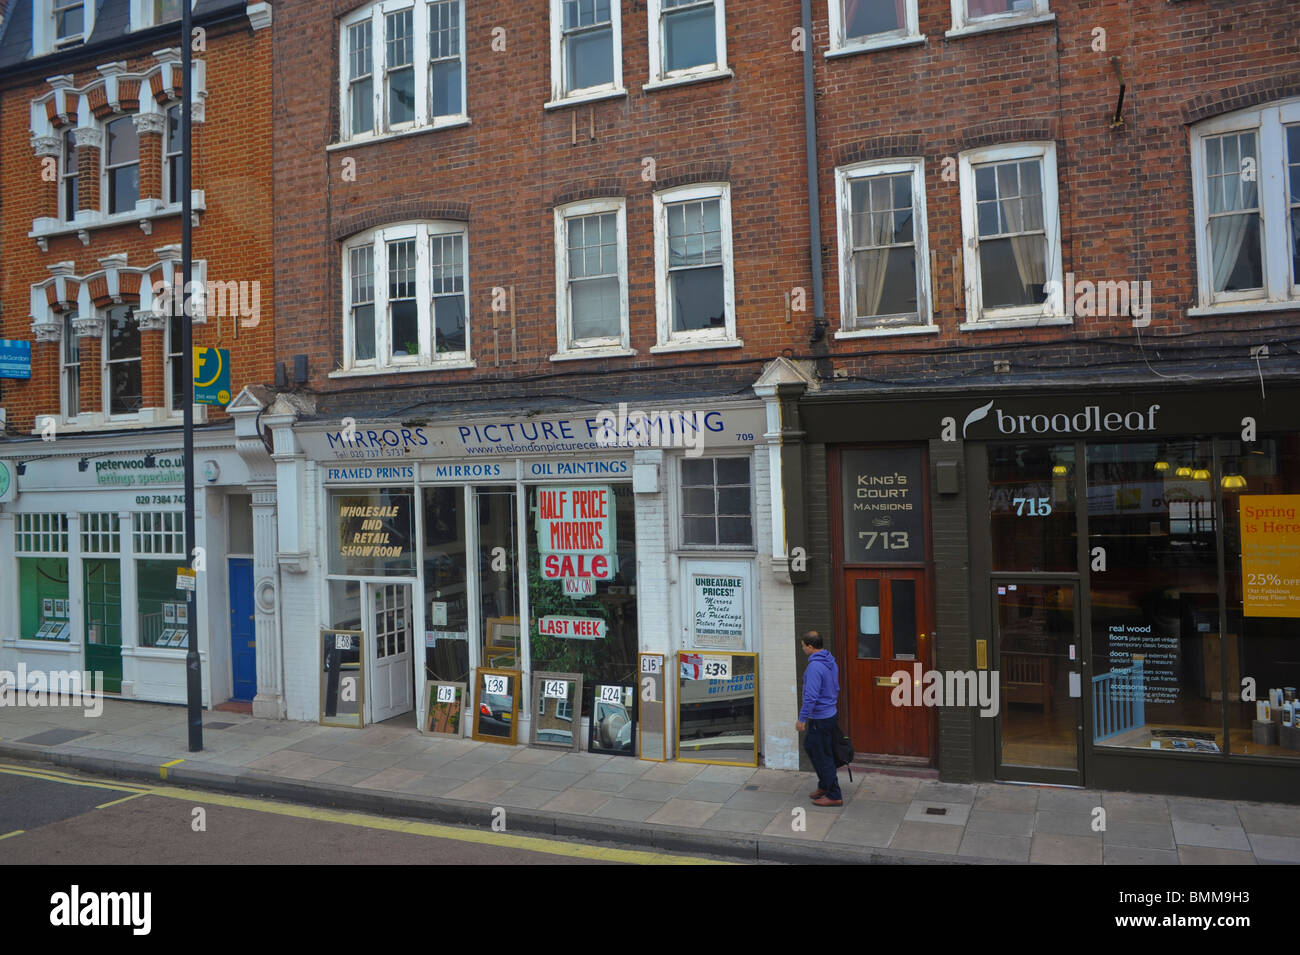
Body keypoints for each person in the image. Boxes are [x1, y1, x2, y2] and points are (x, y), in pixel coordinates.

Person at [796, 630, 842, 807]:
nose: (803, 649)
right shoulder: (830, 660)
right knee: (811, 747)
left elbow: (811, 696)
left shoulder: (815, 667)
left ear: (810, 646)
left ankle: (834, 794)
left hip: (820, 717)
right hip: (829, 714)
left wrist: (802, 719)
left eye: (803, 646)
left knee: (823, 756)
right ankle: (824, 785)